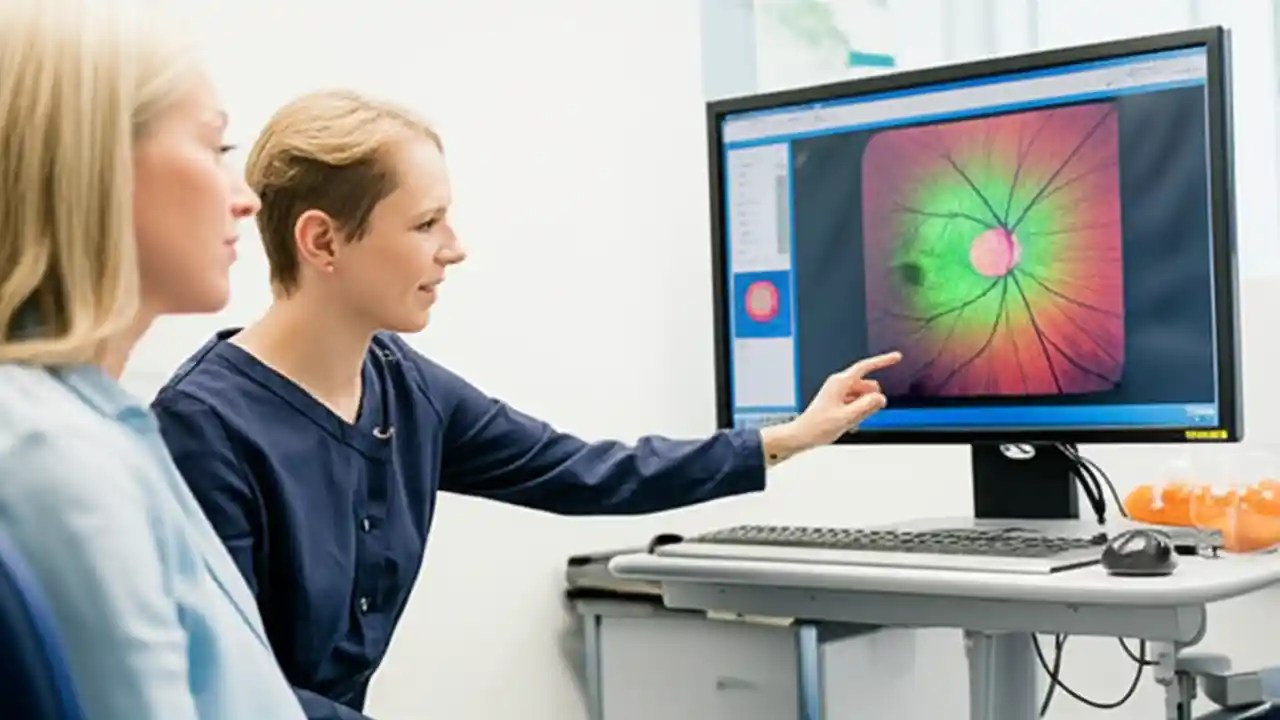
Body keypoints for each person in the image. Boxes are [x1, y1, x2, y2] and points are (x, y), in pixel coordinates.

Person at [150, 88, 902, 719]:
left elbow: (579, 470)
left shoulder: (401, 386)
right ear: (322, 241)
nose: (455, 246)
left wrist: (787, 438)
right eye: (423, 223)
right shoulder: (204, 427)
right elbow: (226, 687)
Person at [0, 0, 305, 717]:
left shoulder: (97, 423)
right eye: (215, 148)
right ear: (89, 158)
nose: (248, 199)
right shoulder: (55, 456)